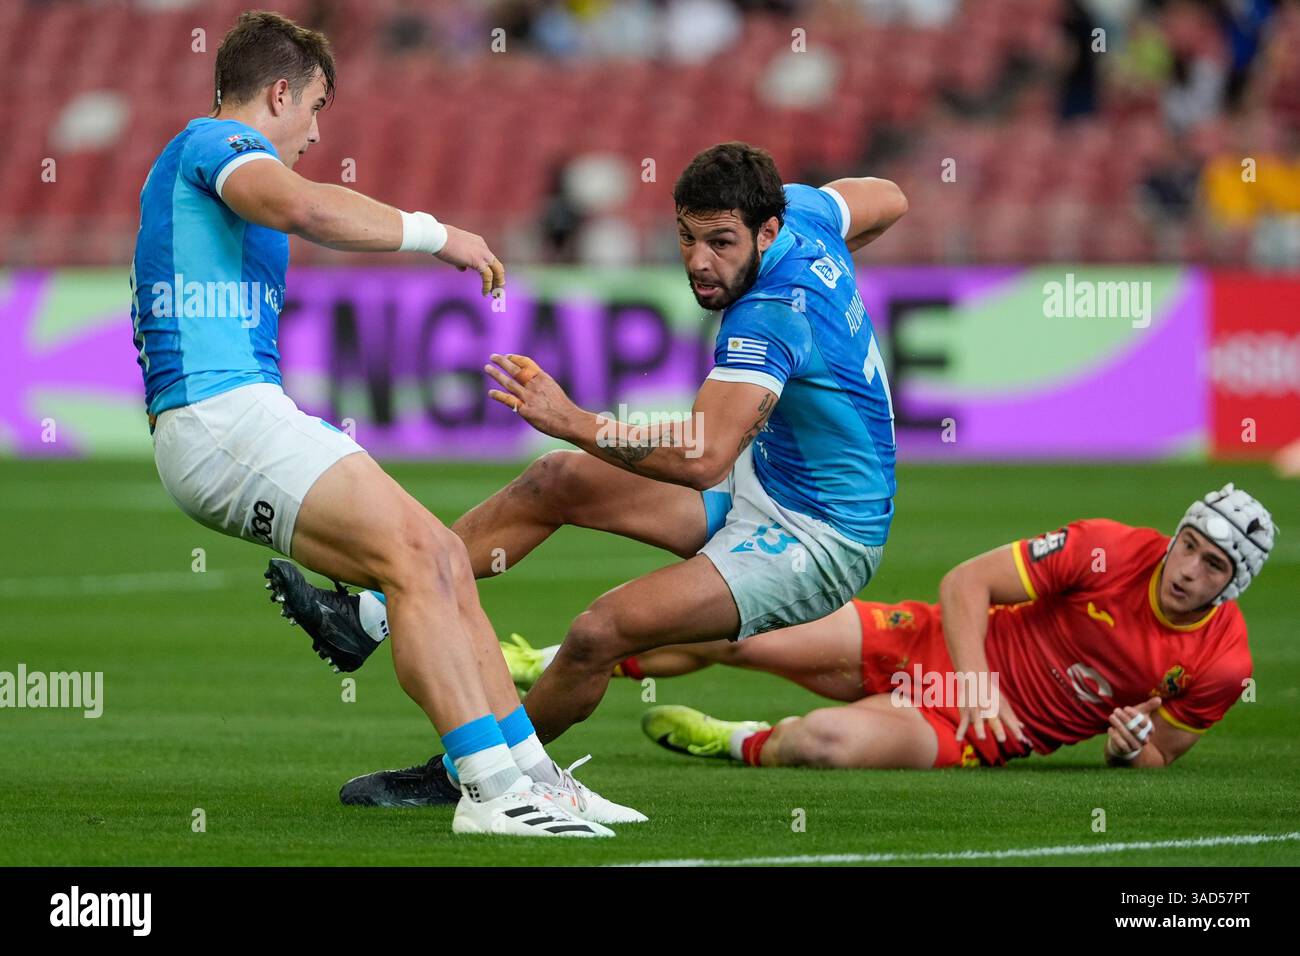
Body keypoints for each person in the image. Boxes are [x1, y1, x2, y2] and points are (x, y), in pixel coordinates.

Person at [273, 141, 908, 805]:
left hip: (820, 538)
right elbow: (890, 197)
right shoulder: (807, 217)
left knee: (597, 633)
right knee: (555, 482)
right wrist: (829, 280)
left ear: (766, 231)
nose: (698, 261)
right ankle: (370, 616)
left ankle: (475, 776)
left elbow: (702, 458)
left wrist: (571, 418)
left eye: (721, 243)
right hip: (770, 478)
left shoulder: (770, 317)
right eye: (687, 238)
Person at [133, 10, 638, 836]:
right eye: (317, 107)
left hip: (231, 415)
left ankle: (532, 778)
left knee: (440, 557)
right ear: (281, 91)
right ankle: (487, 789)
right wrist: (437, 235)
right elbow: (305, 209)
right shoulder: (213, 145)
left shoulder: (207, 161)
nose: (316, 131)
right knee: (416, 561)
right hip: (217, 414)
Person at [611, 485, 1273, 770]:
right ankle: (571, 661)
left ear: (1233, 583)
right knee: (742, 628)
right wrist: (982, 683)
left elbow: (1158, 756)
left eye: (1212, 565)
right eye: (1189, 545)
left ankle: (735, 740)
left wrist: (1129, 750)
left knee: (824, 745)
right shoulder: (1110, 549)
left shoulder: (1221, 664)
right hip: (923, 640)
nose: (1188, 569)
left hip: (966, 731)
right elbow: (965, 583)